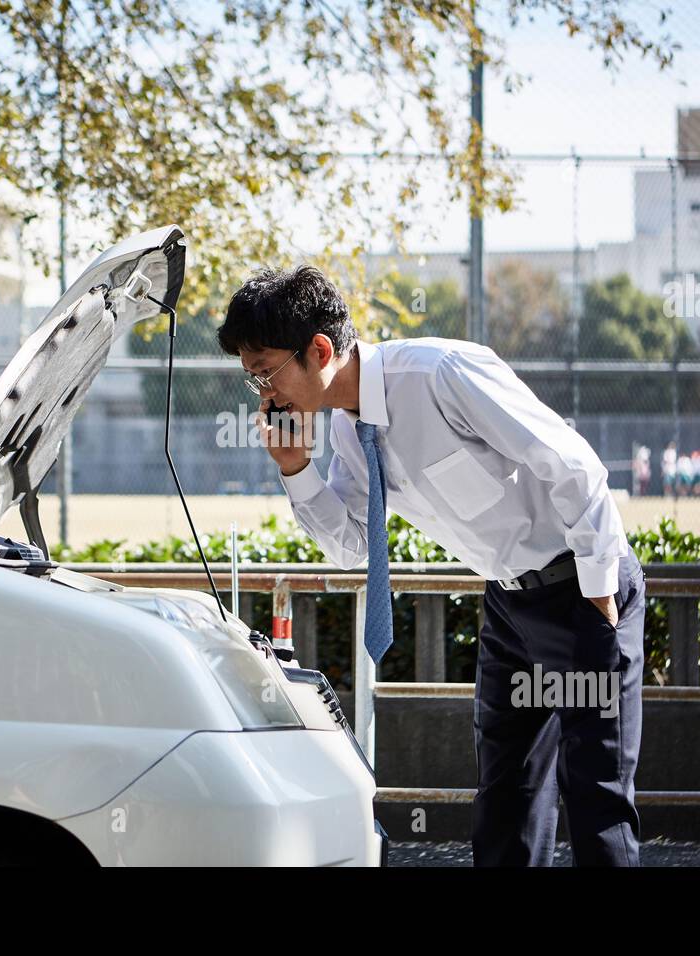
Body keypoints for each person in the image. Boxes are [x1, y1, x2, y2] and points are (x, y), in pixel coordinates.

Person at [216, 265, 645, 867]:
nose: (263, 393)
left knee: (596, 802)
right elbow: (352, 548)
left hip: (582, 589)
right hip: (510, 606)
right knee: (505, 806)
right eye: (252, 377)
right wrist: (295, 468)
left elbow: (572, 465)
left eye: (266, 371)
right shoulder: (345, 432)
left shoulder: (440, 375)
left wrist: (599, 597)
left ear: (318, 351)